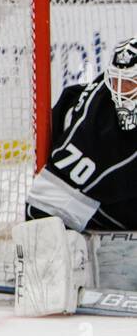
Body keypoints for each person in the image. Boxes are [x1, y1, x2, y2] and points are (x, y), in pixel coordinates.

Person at [25, 37, 137, 232]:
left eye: (129, 83)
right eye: (116, 82)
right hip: (95, 202)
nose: (120, 92)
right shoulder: (100, 130)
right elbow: (41, 213)